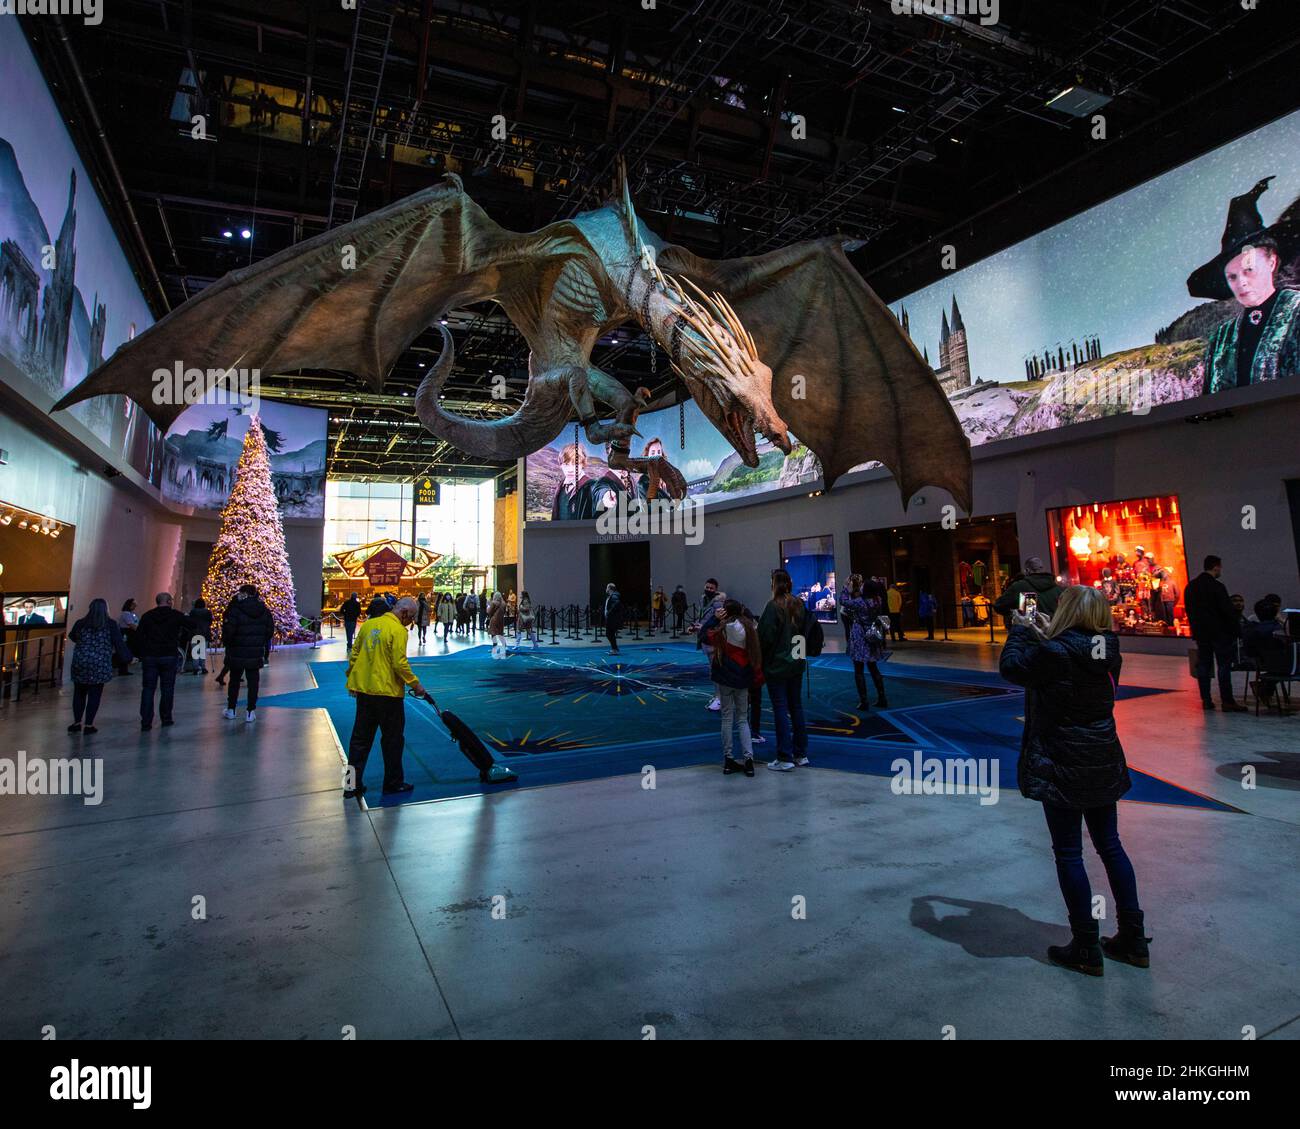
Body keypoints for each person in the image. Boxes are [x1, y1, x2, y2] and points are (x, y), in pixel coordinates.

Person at [999, 586, 1147, 977]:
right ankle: (1133, 936)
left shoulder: (1053, 652)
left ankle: (1084, 944)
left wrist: (1021, 629)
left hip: (1061, 757)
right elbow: (1076, 661)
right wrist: (1050, 635)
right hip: (1101, 755)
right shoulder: (1109, 649)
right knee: (1110, 846)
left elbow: (1012, 667)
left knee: (1068, 853)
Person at [1191, 178, 1300, 394]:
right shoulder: (1222, 336)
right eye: (1232, 277)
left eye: (1249, 269)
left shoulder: (1296, 311)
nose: (1241, 282)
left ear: (1272, 262)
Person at [344, 596, 426, 798]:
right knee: (392, 741)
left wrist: (353, 680)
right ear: (404, 613)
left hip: (364, 693)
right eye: (412, 617)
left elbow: (355, 655)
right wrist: (415, 684)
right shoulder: (398, 631)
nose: (411, 622)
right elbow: (399, 663)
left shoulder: (368, 625)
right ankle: (393, 783)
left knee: (358, 741)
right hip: (388, 695)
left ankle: (350, 786)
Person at [1183, 555, 1248, 712]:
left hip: (1201, 633)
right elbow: (1226, 611)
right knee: (1224, 666)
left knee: (1204, 665)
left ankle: (1206, 699)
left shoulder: (1191, 587)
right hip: (1220, 633)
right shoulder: (1217, 587)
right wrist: (1236, 631)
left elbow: (1190, 611)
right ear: (1216, 567)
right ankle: (1227, 700)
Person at [759, 568, 809, 772]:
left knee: (780, 708)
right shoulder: (799, 604)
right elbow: (805, 633)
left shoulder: (773, 607)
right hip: (797, 662)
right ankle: (800, 754)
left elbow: (765, 637)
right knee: (796, 707)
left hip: (778, 665)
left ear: (774, 583)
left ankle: (784, 756)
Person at [707, 599, 762, 776]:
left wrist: (714, 619)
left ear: (726, 612)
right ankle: (749, 760)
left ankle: (728, 760)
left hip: (724, 677)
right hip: (743, 677)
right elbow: (755, 654)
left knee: (727, 718)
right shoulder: (749, 628)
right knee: (743, 719)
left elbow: (704, 634)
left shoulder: (722, 628)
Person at [66, 598, 131, 734]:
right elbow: (118, 642)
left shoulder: (81, 623)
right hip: (99, 663)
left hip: (81, 661)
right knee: (95, 694)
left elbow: (72, 636)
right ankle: (89, 724)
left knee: (79, 693)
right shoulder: (110, 624)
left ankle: (77, 722)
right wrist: (127, 657)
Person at [134, 592, 193, 731]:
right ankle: (166, 718)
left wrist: (142, 653)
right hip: (168, 655)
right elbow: (192, 624)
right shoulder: (175, 615)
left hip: (150, 656)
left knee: (148, 689)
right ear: (169, 601)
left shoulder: (148, 616)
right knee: (167, 688)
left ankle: (146, 721)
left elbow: (139, 636)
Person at [221, 584, 275, 723]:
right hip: (255, 652)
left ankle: (231, 709)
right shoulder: (263, 609)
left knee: (234, 681)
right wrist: (260, 642)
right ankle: (250, 711)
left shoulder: (235, 609)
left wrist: (229, 643)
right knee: (253, 682)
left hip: (237, 651)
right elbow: (269, 631)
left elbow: (228, 631)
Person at [841, 574, 889, 711]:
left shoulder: (860, 602)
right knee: (873, 667)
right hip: (872, 634)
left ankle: (864, 701)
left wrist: (846, 588)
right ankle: (882, 697)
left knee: (859, 669)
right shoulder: (878, 600)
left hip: (860, 635)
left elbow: (843, 601)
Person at [993, 556, 1064, 620]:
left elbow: (998, 606)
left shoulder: (1020, 587)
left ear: (1027, 570)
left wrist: (1015, 614)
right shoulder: (1058, 589)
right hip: (1055, 631)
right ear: (1042, 568)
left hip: (1030, 631)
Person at [185, 598, 213, 674]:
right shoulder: (207, 612)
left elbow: (190, 621)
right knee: (202, 651)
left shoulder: (193, 612)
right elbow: (210, 622)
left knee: (195, 651)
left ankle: (195, 668)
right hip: (204, 633)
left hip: (194, 633)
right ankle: (203, 667)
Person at [116, 599, 139, 675]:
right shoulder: (126, 614)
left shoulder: (131, 614)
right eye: (134, 604)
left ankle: (124, 669)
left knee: (128, 650)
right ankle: (122, 670)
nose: (135, 606)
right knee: (125, 650)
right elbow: (131, 625)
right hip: (127, 634)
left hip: (130, 633)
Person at [603, 582, 623, 655]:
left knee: (609, 634)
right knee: (610, 634)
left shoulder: (614, 596)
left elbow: (617, 604)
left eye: (607, 587)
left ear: (610, 588)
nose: (606, 589)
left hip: (612, 620)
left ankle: (615, 649)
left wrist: (609, 612)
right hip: (610, 619)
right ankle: (615, 649)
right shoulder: (611, 595)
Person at [488, 592, 507, 659]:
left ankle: (495, 647)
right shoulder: (504, 603)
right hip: (501, 620)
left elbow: (489, 612)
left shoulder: (493, 603)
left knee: (493, 633)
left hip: (494, 619)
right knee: (500, 633)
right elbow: (505, 611)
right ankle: (504, 646)